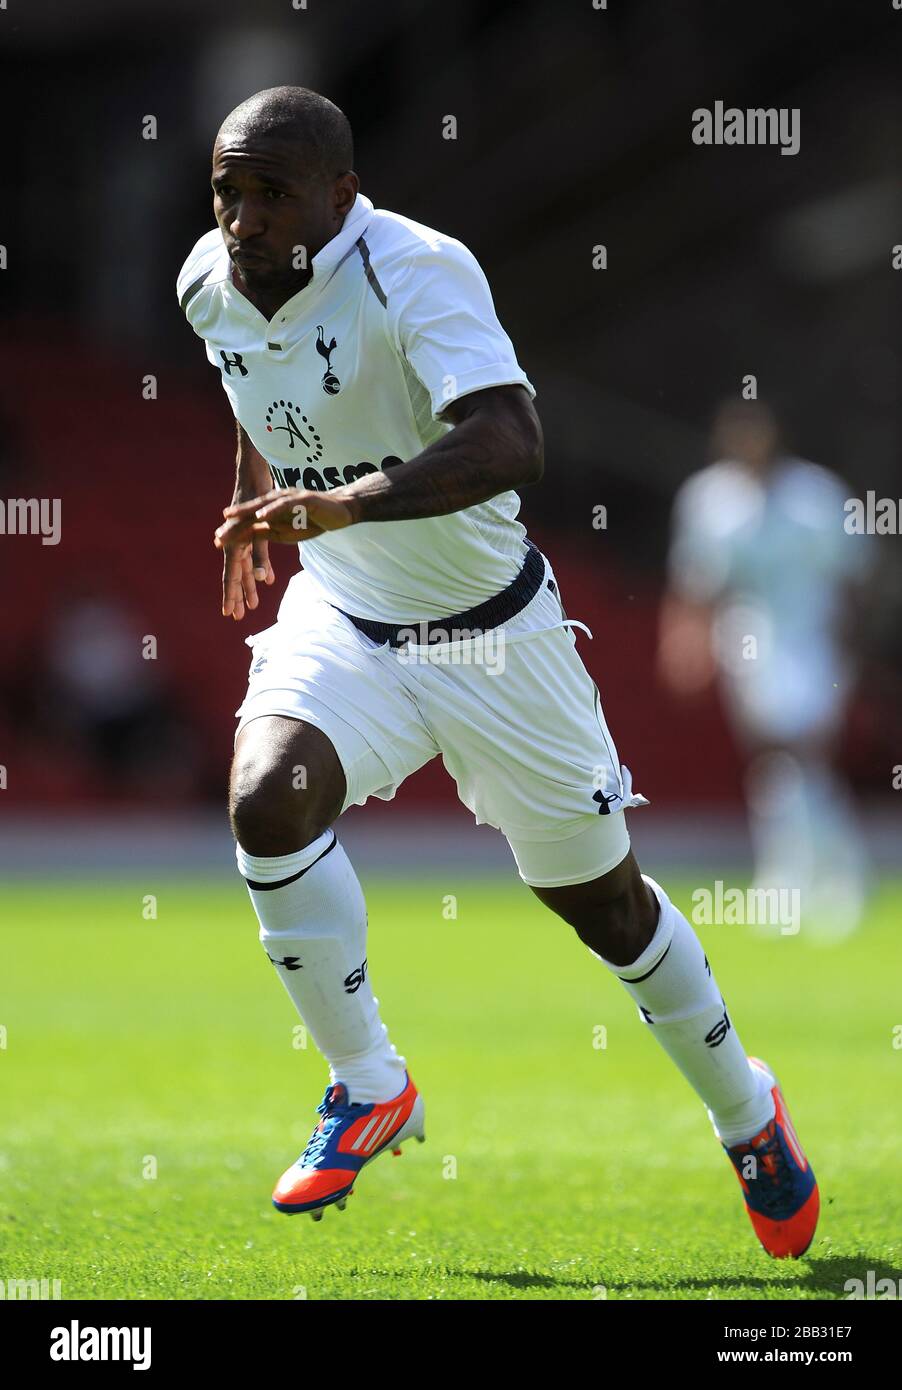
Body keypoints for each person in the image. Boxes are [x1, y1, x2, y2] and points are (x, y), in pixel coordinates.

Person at [178, 87, 817, 1256]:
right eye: (227, 187)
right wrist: (251, 489)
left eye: (272, 192)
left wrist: (342, 502)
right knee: (265, 798)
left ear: (340, 195)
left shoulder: (416, 270)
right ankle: (367, 1082)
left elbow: (509, 437)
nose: (243, 214)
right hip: (351, 619)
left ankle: (746, 1114)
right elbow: (253, 378)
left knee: (606, 910)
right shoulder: (204, 282)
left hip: (492, 635)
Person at [659, 399, 871, 941]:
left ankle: (802, 876)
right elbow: (695, 584)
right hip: (749, 645)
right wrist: (684, 643)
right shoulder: (709, 500)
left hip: (813, 640)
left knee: (798, 750)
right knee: (777, 755)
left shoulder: (816, 497)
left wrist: (849, 655)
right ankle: (818, 873)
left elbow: (851, 582)